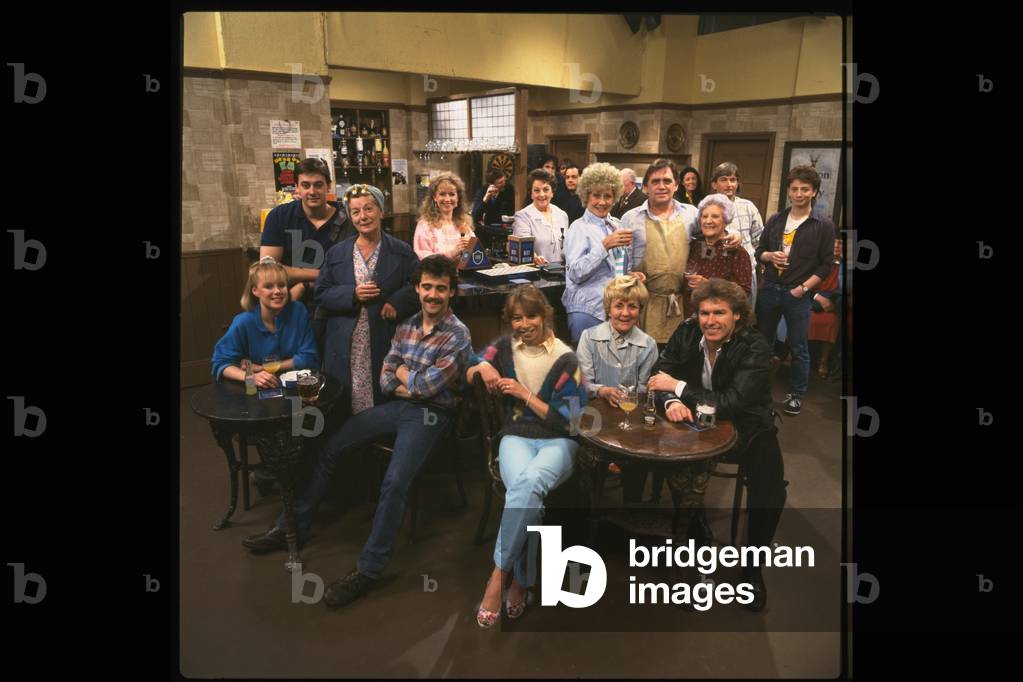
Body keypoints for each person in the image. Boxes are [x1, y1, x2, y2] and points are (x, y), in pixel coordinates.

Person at [243, 255, 473, 610]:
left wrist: (402, 378)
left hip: (432, 415)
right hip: (400, 406)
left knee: (394, 482)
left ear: (451, 293)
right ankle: (291, 526)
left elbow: (427, 389)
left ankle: (368, 569)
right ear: (417, 288)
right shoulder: (407, 324)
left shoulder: (458, 335)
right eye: (427, 287)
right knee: (333, 444)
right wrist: (404, 382)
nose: (432, 294)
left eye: (441, 289)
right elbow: (387, 376)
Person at [647, 278, 786, 611]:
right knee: (672, 459)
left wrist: (678, 387)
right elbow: (658, 374)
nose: (710, 320)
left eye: (719, 312)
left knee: (771, 486)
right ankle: (696, 529)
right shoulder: (688, 332)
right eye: (704, 312)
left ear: (737, 315)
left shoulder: (754, 344)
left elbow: (732, 401)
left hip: (747, 425)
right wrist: (669, 402)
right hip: (696, 422)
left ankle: (753, 569)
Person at [466, 284, 587, 628]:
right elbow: (470, 367)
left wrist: (524, 393)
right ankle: (523, 579)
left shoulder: (567, 359)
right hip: (516, 436)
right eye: (516, 318)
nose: (523, 324)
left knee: (529, 483)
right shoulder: (504, 348)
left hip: (559, 441)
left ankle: (499, 578)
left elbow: (574, 421)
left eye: (531, 315)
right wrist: (482, 369)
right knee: (526, 489)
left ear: (546, 315)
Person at [314, 184, 420, 415]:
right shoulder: (336, 254)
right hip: (344, 342)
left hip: (385, 337)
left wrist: (396, 303)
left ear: (381, 211)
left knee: (382, 400)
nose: (363, 217)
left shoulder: (402, 251)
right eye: (356, 211)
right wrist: (352, 294)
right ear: (350, 217)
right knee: (342, 403)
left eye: (369, 209)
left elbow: (420, 285)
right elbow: (321, 293)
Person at [755, 165, 835, 416]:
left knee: (799, 348)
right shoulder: (776, 219)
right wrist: (769, 256)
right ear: (789, 191)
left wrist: (802, 289)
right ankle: (758, 393)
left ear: (814, 192)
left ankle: (796, 395)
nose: (799, 193)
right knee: (762, 345)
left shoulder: (823, 225)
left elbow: (825, 265)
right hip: (769, 289)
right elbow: (760, 252)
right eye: (795, 189)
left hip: (797, 293)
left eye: (805, 189)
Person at [576, 275, 659, 502]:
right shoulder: (589, 338)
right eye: (619, 306)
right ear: (608, 308)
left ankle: (631, 512)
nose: (625, 313)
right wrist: (602, 390)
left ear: (640, 310)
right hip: (593, 418)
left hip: (630, 418)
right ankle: (591, 512)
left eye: (632, 306)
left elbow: (643, 390)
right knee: (588, 460)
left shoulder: (648, 344)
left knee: (637, 458)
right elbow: (583, 383)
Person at [260, 158, 357, 352]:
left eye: (318, 185)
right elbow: (267, 270)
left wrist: (303, 283)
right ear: (297, 188)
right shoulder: (279, 216)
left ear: (328, 186)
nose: (312, 192)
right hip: (289, 306)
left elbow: (351, 272)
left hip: (337, 309)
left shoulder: (348, 219)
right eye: (305, 185)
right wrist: (320, 275)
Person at [562, 162, 646, 343]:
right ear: (586, 196)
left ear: (615, 196)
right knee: (588, 368)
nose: (602, 202)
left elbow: (613, 271)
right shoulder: (578, 228)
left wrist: (630, 275)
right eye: (596, 195)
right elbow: (575, 273)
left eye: (608, 196)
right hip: (587, 312)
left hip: (614, 312)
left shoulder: (616, 224)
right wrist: (604, 247)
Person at [620, 158, 699, 346]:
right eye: (655, 181)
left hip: (682, 304)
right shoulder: (630, 219)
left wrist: (733, 234)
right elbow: (618, 260)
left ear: (676, 185)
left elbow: (716, 229)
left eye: (667, 181)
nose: (662, 186)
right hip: (645, 305)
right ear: (646, 187)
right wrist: (627, 275)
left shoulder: (691, 214)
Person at [210, 257, 319, 386]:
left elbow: (309, 358)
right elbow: (220, 363)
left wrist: (264, 367)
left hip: (296, 387)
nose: (277, 291)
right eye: (268, 286)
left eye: (282, 285)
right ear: (255, 291)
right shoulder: (243, 322)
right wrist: (250, 377)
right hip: (256, 391)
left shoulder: (298, 311)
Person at [703, 162, 764, 307]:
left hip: (744, 274)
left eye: (733, 180)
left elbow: (759, 240)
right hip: (713, 274)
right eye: (724, 180)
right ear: (714, 184)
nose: (729, 184)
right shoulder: (706, 207)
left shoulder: (748, 206)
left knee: (744, 318)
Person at [682, 193, 753, 312]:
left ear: (726, 220)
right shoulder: (694, 246)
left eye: (715, 216)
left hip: (717, 317)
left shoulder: (737, 252)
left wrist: (708, 285)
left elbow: (743, 292)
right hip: (689, 314)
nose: (708, 221)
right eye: (704, 216)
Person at [412, 172, 477, 263]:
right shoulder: (425, 225)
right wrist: (452, 253)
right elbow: (423, 258)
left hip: (464, 275)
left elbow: (475, 255)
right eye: (442, 194)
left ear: (458, 198)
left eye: (451, 194)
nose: (447, 199)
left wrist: (470, 249)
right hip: (438, 276)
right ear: (435, 197)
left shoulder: (464, 223)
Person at [511, 168, 571, 265]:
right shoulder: (522, 216)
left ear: (552, 192)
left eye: (546, 189)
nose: (541, 194)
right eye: (536, 190)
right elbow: (524, 247)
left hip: (561, 274)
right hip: (535, 272)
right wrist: (535, 258)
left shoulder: (562, 215)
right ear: (531, 194)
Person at [808, 238, 842, 379]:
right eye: (833, 242)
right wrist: (818, 297)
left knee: (831, 321)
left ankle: (824, 361)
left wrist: (833, 303)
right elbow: (804, 285)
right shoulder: (817, 261)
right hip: (812, 300)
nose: (836, 245)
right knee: (806, 318)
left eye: (840, 243)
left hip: (833, 306)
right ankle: (801, 357)